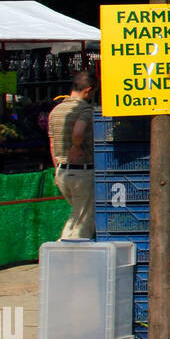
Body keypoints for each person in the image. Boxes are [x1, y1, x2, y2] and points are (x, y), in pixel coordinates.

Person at [49, 69, 98, 239]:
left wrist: (57, 170)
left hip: (62, 172)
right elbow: (78, 132)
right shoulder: (84, 110)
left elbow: (52, 143)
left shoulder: (56, 111)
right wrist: (76, 146)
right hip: (81, 171)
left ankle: (63, 247)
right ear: (88, 90)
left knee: (77, 214)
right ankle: (72, 254)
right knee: (84, 221)